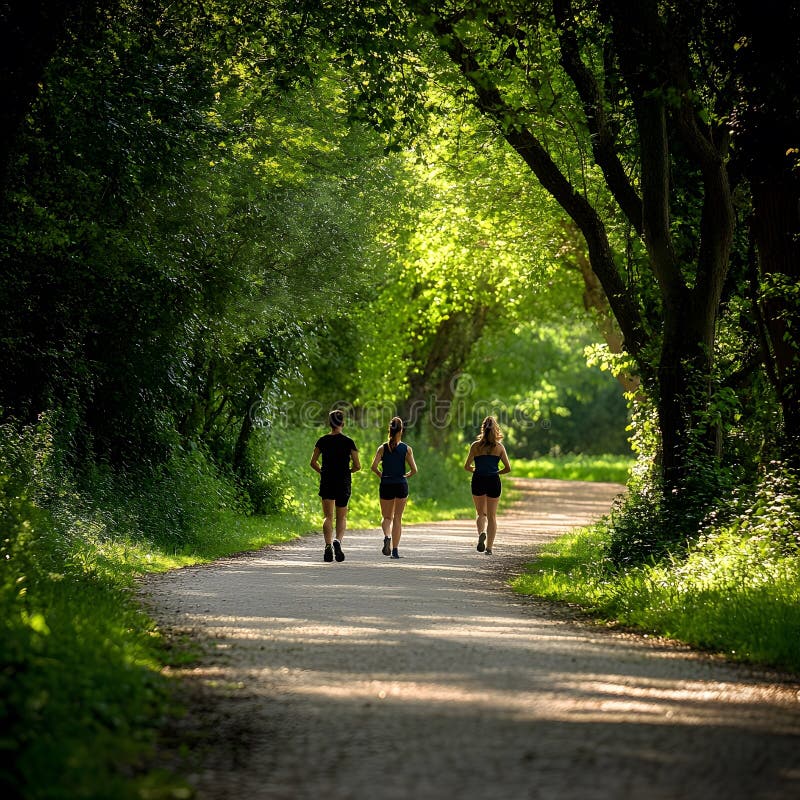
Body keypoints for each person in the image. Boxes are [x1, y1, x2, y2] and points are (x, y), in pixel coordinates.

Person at [310, 409, 361, 563]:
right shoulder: (349, 442)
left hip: (327, 480)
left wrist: (323, 472)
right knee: (342, 516)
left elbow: (312, 462)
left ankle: (327, 546)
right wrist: (349, 471)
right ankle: (337, 541)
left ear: (329, 423)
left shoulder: (322, 441)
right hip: (343, 481)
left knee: (327, 516)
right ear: (342, 423)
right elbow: (358, 465)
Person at [370, 416, 417, 559]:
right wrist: (405, 476)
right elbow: (414, 469)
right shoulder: (406, 449)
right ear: (401, 431)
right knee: (398, 518)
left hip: (386, 484)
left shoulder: (382, 448)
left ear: (389, 430)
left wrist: (381, 475)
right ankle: (395, 551)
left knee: (386, 517)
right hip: (401, 485)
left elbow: (373, 467)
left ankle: (387, 536)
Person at [464, 416, 511, 555]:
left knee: (480, 513)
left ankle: (481, 534)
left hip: (478, 479)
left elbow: (467, 466)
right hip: (493, 481)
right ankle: (489, 548)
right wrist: (496, 472)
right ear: (495, 430)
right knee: (492, 516)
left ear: (483, 429)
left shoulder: (475, 446)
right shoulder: (499, 447)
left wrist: (477, 470)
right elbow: (508, 468)